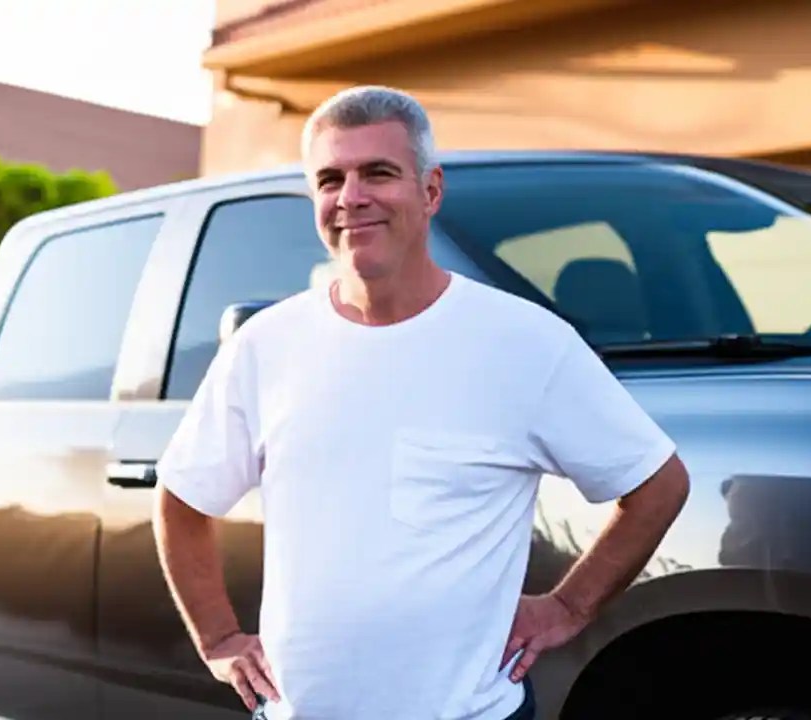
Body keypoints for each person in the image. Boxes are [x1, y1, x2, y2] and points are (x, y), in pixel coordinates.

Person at [150, 85, 691, 720]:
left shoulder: (526, 342)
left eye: (378, 172)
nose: (351, 197)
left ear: (430, 190)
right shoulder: (265, 345)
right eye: (330, 179)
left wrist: (569, 605)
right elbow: (182, 497)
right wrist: (218, 639)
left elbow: (658, 485)